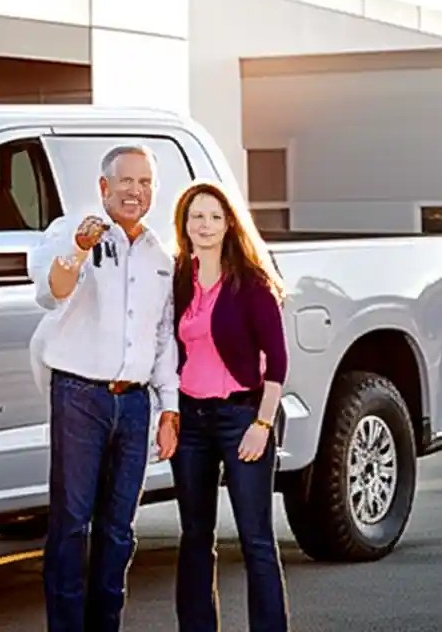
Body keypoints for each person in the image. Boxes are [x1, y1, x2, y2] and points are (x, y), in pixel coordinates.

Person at [27, 144, 181, 632]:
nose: (135, 192)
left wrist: (169, 409)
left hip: (134, 405)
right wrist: (77, 248)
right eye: (126, 182)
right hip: (80, 398)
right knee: (71, 525)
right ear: (104, 187)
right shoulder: (74, 231)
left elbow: (163, 337)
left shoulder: (162, 255)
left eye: (145, 183)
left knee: (119, 533)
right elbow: (51, 291)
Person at [167, 180, 291, 632]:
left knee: (256, 539)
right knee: (195, 536)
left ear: (229, 224)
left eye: (215, 216)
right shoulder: (178, 278)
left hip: (243, 417)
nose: (205, 225)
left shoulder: (251, 283)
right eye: (196, 216)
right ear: (184, 223)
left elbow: (277, 362)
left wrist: (262, 422)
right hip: (192, 422)